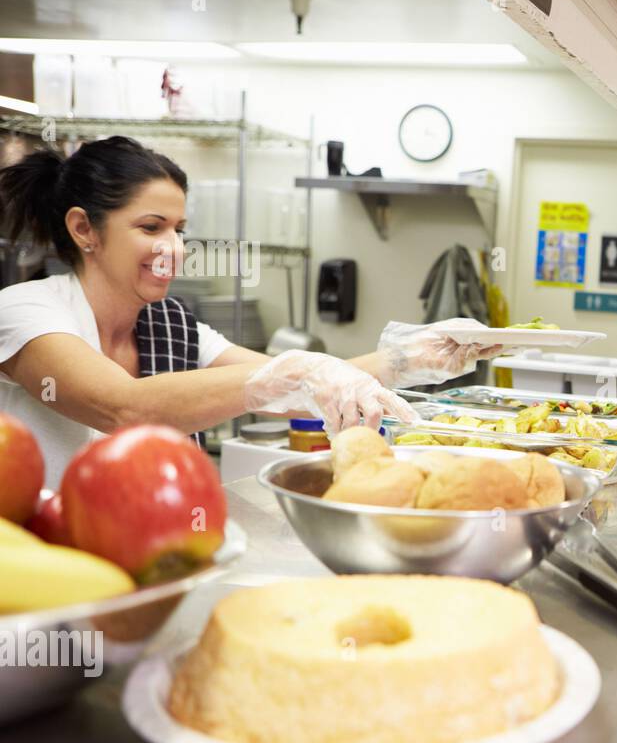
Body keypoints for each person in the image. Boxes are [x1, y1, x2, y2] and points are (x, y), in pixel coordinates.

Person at [0, 136, 498, 484]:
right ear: (84, 229)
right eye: (151, 227)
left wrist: (412, 357)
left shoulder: (172, 325)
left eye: (179, 230)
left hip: (144, 552)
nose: (173, 247)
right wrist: (291, 373)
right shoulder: (26, 311)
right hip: (39, 571)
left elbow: (301, 381)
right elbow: (122, 407)